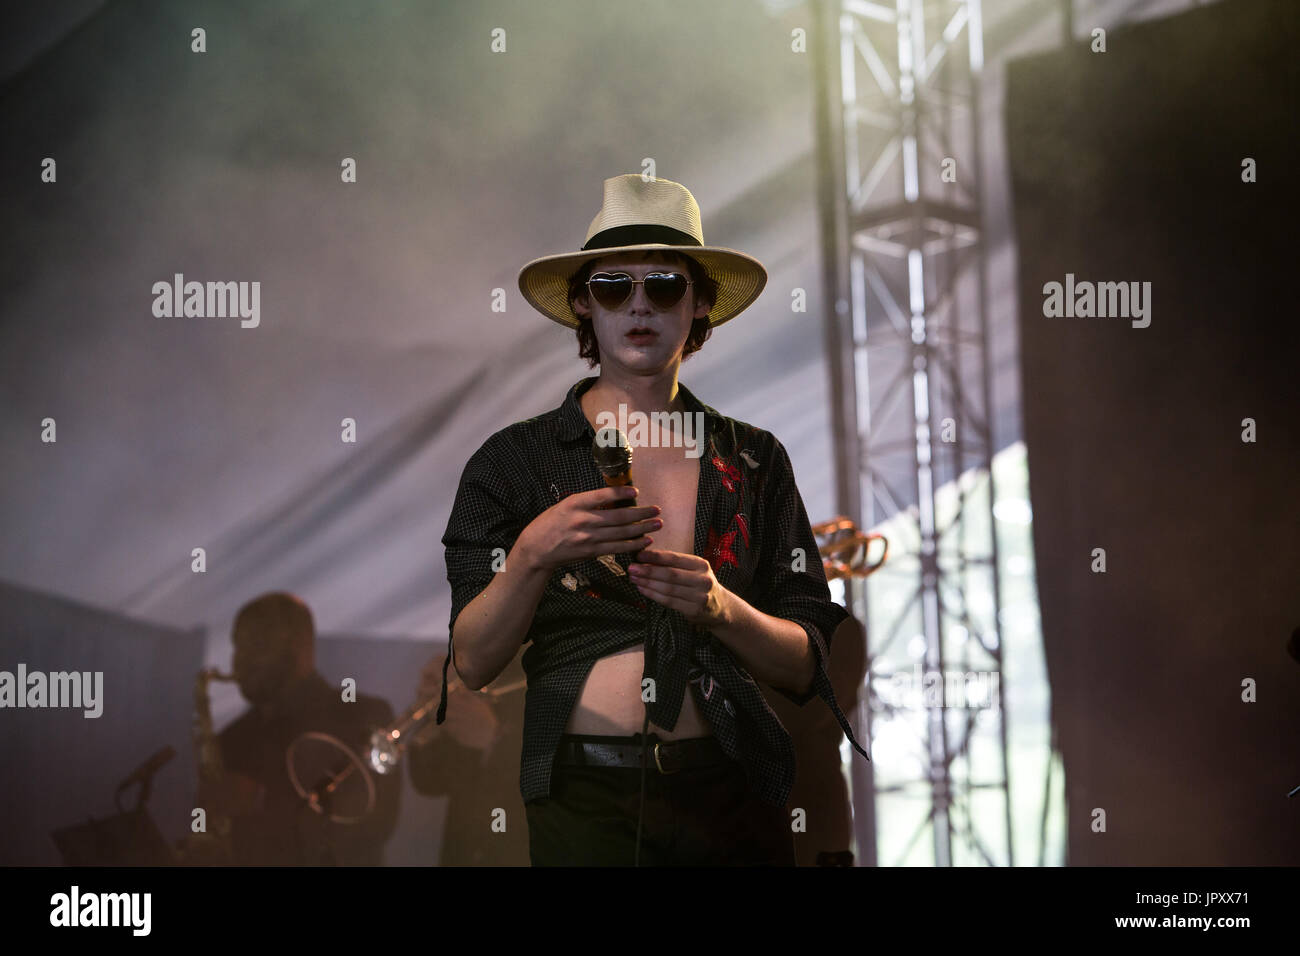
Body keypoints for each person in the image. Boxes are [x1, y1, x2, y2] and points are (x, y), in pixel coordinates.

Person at [436, 174, 870, 866]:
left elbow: (806, 663)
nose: (640, 305)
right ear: (584, 302)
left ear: (699, 302)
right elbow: (475, 660)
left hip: (734, 793)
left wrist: (723, 609)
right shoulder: (512, 461)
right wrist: (532, 554)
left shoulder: (754, 460)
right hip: (582, 800)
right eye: (614, 287)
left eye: (665, 284)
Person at [203, 591, 401, 865]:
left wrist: (262, 800)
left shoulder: (362, 716)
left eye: (256, 644)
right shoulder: (232, 739)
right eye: (238, 645)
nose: (239, 661)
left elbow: (374, 826)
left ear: (301, 644)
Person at [406, 652, 529, 865]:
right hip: (462, 853)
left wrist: (495, 741)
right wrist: (430, 720)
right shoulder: (481, 665)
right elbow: (430, 782)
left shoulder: (556, 677)